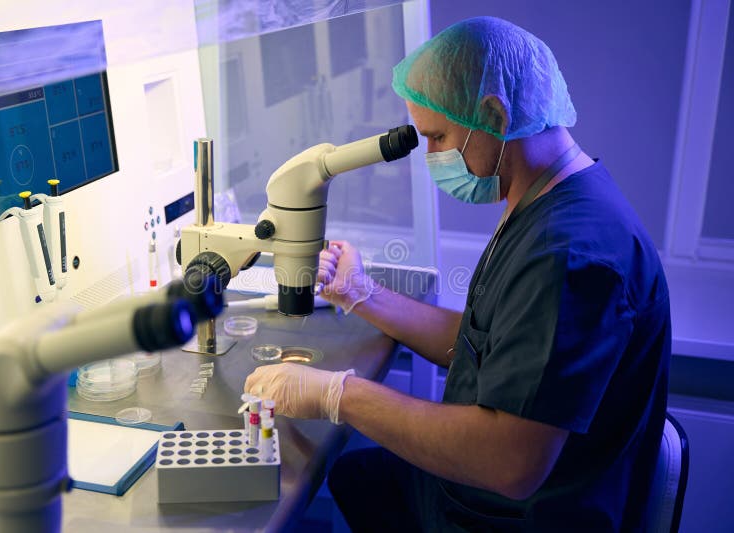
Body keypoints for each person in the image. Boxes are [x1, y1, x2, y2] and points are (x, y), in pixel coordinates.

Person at [244, 16, 670, 532]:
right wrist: (362, 294)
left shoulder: (568, 255)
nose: (432, 155)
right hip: (491, 495)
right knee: (358, 478)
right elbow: (488, 346)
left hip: (522, 516)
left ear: (494, 113)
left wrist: (337, 394)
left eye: (438, 136)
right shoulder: (547, 197)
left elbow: (507, 463)